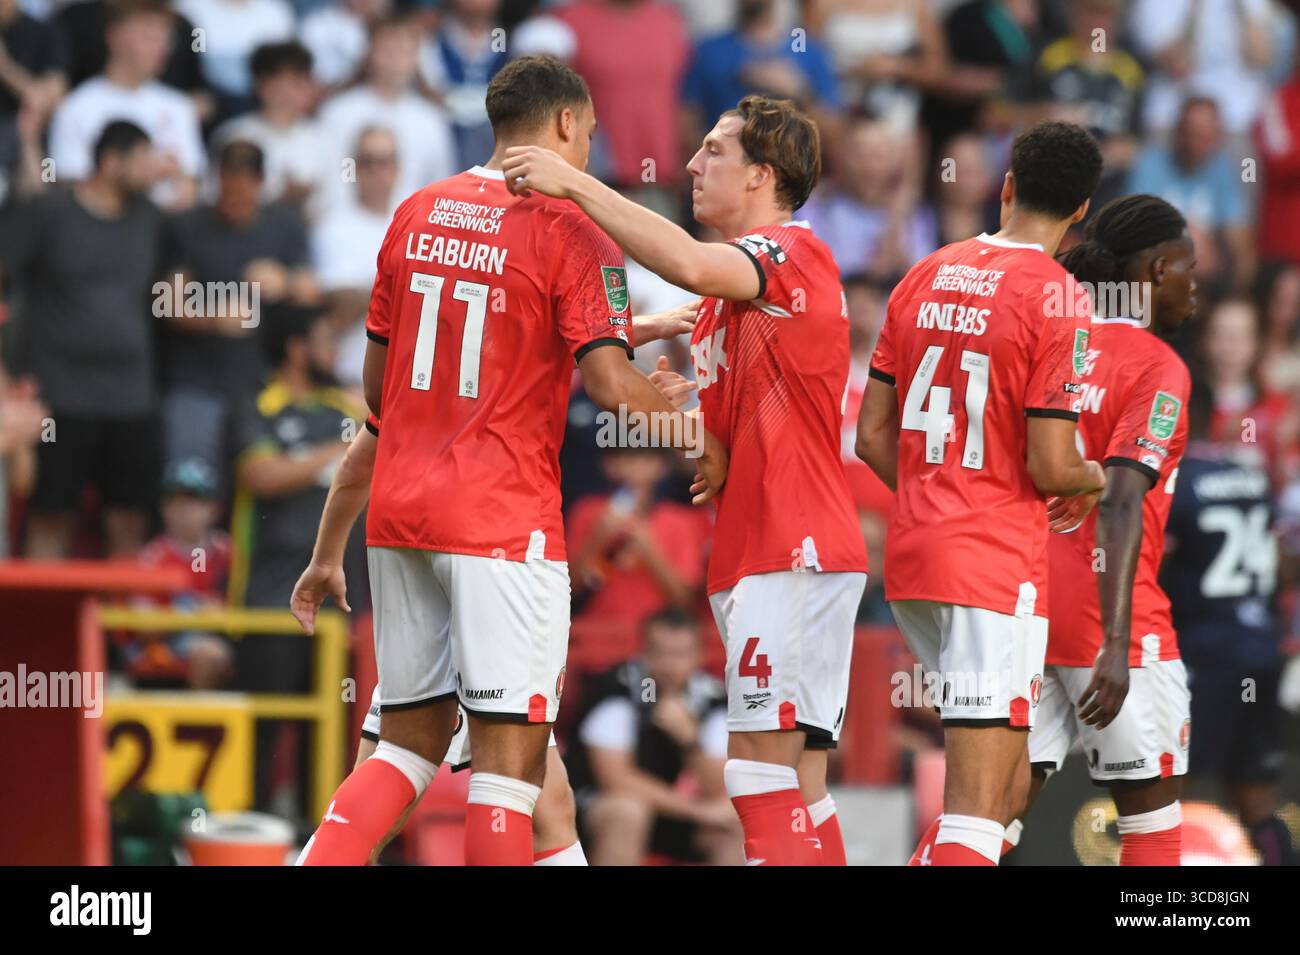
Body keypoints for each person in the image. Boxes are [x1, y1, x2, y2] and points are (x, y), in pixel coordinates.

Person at [298, 54, 726, 867]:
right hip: (502, 522)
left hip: (401, 514)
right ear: (566, 123)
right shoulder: (576, 227)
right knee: (510, 773)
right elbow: (605, 384)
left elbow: (383, 387)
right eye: (593, 134)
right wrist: (696, 437)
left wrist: (634, 332)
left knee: (406, 747)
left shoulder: (416, 211)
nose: (593, 152)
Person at [504, 93, 869, 866]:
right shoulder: (717, 309)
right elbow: (723, 455)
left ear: (762, 175)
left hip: (792, 547)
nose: (693, 165)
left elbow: (684, 260)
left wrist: (579, 185)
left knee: (760, 773)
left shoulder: (792, 252)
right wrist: (685, 425)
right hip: (764, 548)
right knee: (799, 782)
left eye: (714, 152)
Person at [856, 120, 1105, 866]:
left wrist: (938, 503)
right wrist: (1096, 476)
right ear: (1083, 210)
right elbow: (1053, 463)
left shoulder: (924, 272)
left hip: (916, 560)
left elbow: (871, 436)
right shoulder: (1059, 297)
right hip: (992, 566)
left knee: (997, 799)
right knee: (976, 803)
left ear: (1006, 186)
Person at [1009, 194, 1199, 866]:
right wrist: (1116, 643)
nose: (1194, 287)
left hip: (1027, 613)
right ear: (1152, 269)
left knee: (984, 819)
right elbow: (1120, 501)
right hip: (1114, 630)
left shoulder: (1057, 343)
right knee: (1151, 828)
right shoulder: (1156, 366)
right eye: (1186, 269)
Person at [0, 119, 164, 558]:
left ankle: (125, 628)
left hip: (132, 397)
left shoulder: (151, 218)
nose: (152, 170)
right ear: (111, 161)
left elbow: (175, 284)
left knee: (128, 518)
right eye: (142, 159)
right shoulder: (49, 212)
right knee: (51, 515)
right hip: (58, 394)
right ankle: (37, 624)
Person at [1168, 381, 1296, 865]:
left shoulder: (1174, 482)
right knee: (1256, 797)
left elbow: (1149, 564)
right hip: (1262, 648)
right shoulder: (1252, 477)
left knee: (1167, 793)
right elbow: (1284, 563)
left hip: (1209, 650)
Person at [569, 608, 739, 866]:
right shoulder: (618, 689)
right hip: (601, 805)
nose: (670, 664)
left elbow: (717, 785)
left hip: (678, 813)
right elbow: (616, 779)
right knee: (628, 812)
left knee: (735, 822)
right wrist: (699, 812)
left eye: (681, 654)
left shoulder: (712, 698)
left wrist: (689, 741)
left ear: (698, 656)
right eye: (660, 653)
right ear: (644, 651)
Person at [47, 0, 205, 210]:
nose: (160, 48)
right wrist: (134, 175)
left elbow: (191, 188)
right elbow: (71, 189)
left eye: (166, 38)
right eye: (148, 36)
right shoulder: (75, 108)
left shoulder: (180, 107)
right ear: (115, 36)